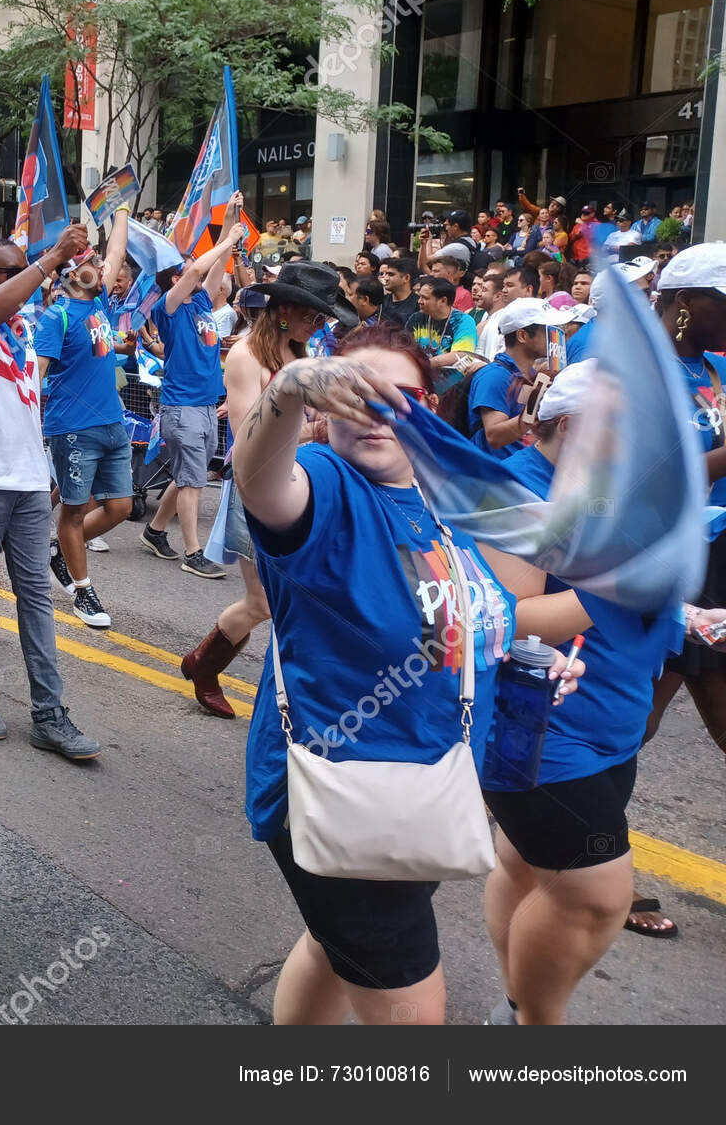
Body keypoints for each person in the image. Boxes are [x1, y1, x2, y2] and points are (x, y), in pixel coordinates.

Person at [234, 322, 580, 1024]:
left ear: (426, 409)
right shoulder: (325, 486)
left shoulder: (444, 504)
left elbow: (480, 613)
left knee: (334, 950)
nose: (375, 412)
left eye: (398, 397)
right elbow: (258, 477)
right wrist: (292, 387)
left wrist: (515, 654)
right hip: (339, 791)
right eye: (352, 394)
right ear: (323, 411)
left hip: (427, 792)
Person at [483, 362, 683, 1023]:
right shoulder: (516, 493)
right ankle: (534, 1028)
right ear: (572, 427)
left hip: (611, 722)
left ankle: (513, 1008)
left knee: (522, 866)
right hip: (541, 730)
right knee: (597, 897)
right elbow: (508, 619)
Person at [0, 223, 101, 758]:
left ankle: (49, 713)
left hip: (29, 480)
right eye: (14, 272)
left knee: (36, 598)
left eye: (27, 270)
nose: (28, 280)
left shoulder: (26, 325)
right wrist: (51, 257)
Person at [180, 261, 358, 718]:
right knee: (264, 602)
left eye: (322, 318)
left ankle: (267, 686)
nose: (318, 325)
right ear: (283, 309)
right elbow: (247, 437)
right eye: (312, 315)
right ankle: (205, 666)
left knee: (304, 599)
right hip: (258, 488)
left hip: (307, 487)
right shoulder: (245, 356)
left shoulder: (302, 357)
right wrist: (318, 431)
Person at [638, 248, 726, 938]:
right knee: (630, 720)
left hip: (717, 563)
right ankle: (588, 856)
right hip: (662, 562)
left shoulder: (715, 367)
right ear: (689, 301)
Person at [139, 199, 249, 577]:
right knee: (192, 481)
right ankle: (193, 552)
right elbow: (202, 266)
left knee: (191, 475)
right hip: (181, 405)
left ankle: (155, 531)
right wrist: (228, 239)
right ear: (175, 279)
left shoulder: (201, 300)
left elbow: (216, 266)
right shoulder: (167, 307)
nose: (195, 268)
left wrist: (231, 218)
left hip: (204, 404)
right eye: (186, 266)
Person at [36, 209, 132, 626]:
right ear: (72, 275)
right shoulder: (55, 318)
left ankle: (62, 550)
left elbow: (117, 250)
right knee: (73, 514)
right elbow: (35, 376)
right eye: (90, 262)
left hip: (112, 424)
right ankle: (82, 591)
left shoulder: (100, 305)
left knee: (121, 507)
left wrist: (121, 209)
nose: (101, 266)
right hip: (73, 429)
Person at [468, 297, 570, 456]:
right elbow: (494, 437)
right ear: (522, 335)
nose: (553, 336)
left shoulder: (532, 375)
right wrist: (531, 412)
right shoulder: (495, 376)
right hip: (496, 469)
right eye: (548, 331)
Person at [405, 277, 478, 367]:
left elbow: (461, 354)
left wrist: (426, 364)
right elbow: (403, 348)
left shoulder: (462, 321)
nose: (419, 301)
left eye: (425, 298)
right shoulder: (416, 318)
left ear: (443, 300)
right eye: (420, 297)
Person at [377, 256, 420, 328]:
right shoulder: (381, 301)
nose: (385, 278)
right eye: (385, 274)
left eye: (391, 274)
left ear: (406, 278)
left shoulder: (419, 304)